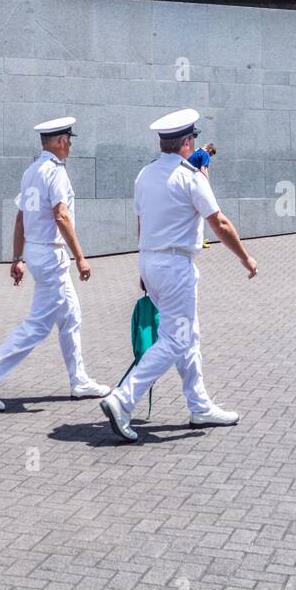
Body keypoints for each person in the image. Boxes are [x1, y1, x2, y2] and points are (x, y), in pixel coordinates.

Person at [100, 109, 256, 442]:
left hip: (150, 262)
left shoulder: (145, 174)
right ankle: (123, 399)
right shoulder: (191, 177)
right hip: (175, 268)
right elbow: (219, 222)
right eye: (193, 139)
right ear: (187, 142)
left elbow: (142, 222)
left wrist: (143, 265)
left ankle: (199, 406)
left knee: (188, 335)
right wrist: (246, 258)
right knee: (177, 338)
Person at [0, 117, 110, 410]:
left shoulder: (31, 171)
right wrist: (81, 257)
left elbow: (21, 218)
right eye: (68, 141)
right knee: (38, 325)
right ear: (60, 142)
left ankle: (79, 380)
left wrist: (17, 257)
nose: (70, 146)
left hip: (36, 252)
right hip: (51, 255)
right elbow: (61, 216)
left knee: (71, 316)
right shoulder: (56, 173)